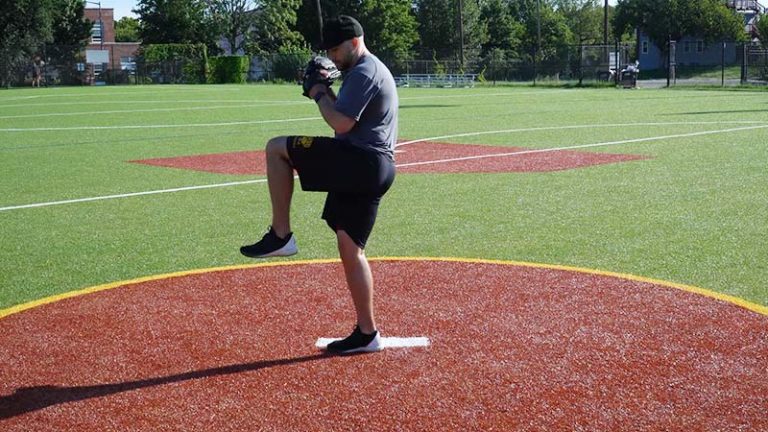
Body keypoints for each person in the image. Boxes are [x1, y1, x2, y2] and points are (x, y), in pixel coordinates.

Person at [240, 15, 398, 355]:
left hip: (361, 161)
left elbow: (341, 122)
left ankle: (281, 235)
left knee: (276, 148)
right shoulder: (363, 70)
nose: (333, 56)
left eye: (337, 49)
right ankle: (367, 333)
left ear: (355, 42)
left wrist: (318, 91)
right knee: (350, 248)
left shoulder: (365, 70)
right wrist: (326, 90)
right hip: (371, 167)